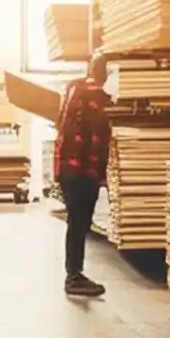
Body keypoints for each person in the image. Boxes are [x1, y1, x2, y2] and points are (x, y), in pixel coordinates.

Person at [53, 52, 110, 297]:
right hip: (80, 169)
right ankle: (73, 275)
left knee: (78, 222)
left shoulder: (75, 90)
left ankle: (74, 273)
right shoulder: (96, 96)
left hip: (70, 168)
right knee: (78, 222)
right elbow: (98, 135)